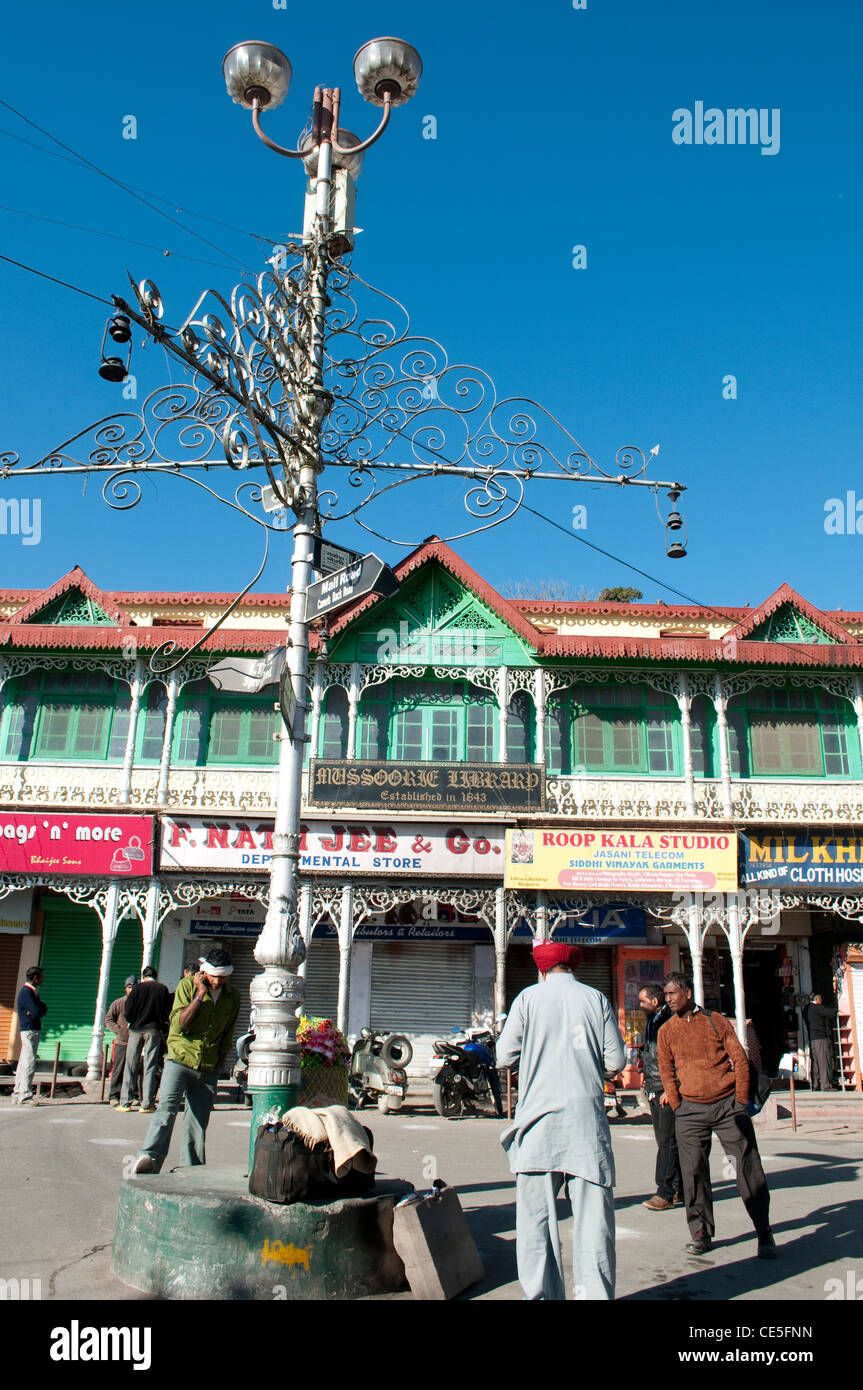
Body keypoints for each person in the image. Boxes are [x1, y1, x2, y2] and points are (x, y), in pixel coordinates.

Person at [496, 941, 626, 1300]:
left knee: (536, 1220)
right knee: (593, 1221)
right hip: (586, 1122)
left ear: (542, 969)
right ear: (573, 967)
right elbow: (615, 1063)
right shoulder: (596, 999)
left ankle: (541, 1294)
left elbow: (505, 1055)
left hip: (537, 1121)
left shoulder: (527, 1000)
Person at [657, 972, 776, 1259]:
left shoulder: (715, 1020)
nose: (668, 999)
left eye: (673, 993)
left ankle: (764, 1231)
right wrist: (676, 1104)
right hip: (689, 1111)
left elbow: (739, 1057)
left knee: (748, 1168)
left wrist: (741, 1099)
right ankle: (700, 1233)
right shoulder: (666, 1031)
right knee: (693, 1172)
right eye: (666, 995)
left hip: (727, 1106)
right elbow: (666, 1070)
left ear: (687, 993)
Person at [133, 948, 241, 1175]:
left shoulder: (233, 997)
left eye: (222, 977)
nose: (217, 981)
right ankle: (149, 1158)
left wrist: (220, 1065)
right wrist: (200, 994)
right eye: (213, 976)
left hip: (209, 1065)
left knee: (198, 1121)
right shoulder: (187, 987)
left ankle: (191, 1169)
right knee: (166, 1111)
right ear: (204, 972)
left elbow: (228, 1034)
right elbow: (181, 1024)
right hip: (180, 1059)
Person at [638, 982, 682, 1211]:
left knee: (667, 1141)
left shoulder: (669, 1021)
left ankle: (665, 1191)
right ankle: (679, 1187)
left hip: (666, 1088)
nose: (640, 1005)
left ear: (655, 1001)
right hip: (654, 1084)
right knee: (666, 1140)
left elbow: (676, 1057)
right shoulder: (651, 1020)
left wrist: (670, 1087)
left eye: (643, 1001)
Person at [118, 967, 172, 1114]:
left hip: (135, 1030)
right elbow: (167, 1012)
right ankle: (147, 1103)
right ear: (156, 976)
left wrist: (132, 1021)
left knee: (131, 1064)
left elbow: (128, 1011)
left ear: (143, 976)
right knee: (150, 1066)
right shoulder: (162, 989)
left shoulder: (136, 989)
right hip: (153, 1030)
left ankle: (125, 1102)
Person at [11, 967, 47, 1105]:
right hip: (30, 1030)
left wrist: (39, 1008)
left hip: (28, 1029)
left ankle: (17, 1092)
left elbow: (35, 1010)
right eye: (41, 977)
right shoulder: (28, 992)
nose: (42, 980)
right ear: (35, 978)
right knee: (29, 1061)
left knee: (23, 1061)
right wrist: (41, 1007)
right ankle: (25, 1095)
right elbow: (37, 1011)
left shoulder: (29, 992)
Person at [105, 976, 137, 1106]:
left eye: (134, 987)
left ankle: (132, 1095)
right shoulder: (118, 1003)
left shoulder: (139, 1003)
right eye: (129, 987)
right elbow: (108, 1019)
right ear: (125, 989)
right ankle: (114, 1095)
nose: (132, 989)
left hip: (135, 1042)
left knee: (134, 1069)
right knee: (118, 1069)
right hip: (121, 1042)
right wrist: (118, 1030)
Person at [804, 993, 838, 1091]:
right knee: (823, 1060)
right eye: (821, 999)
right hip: (820, 1037)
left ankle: (816, 1084)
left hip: (812, 1038)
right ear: (817, 999)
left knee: (815, 1062)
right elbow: (829, 1013)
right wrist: (836, 1011)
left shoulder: (806, 1009)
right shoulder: (817, 1008)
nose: (821, 1001)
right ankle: (825, 1085)